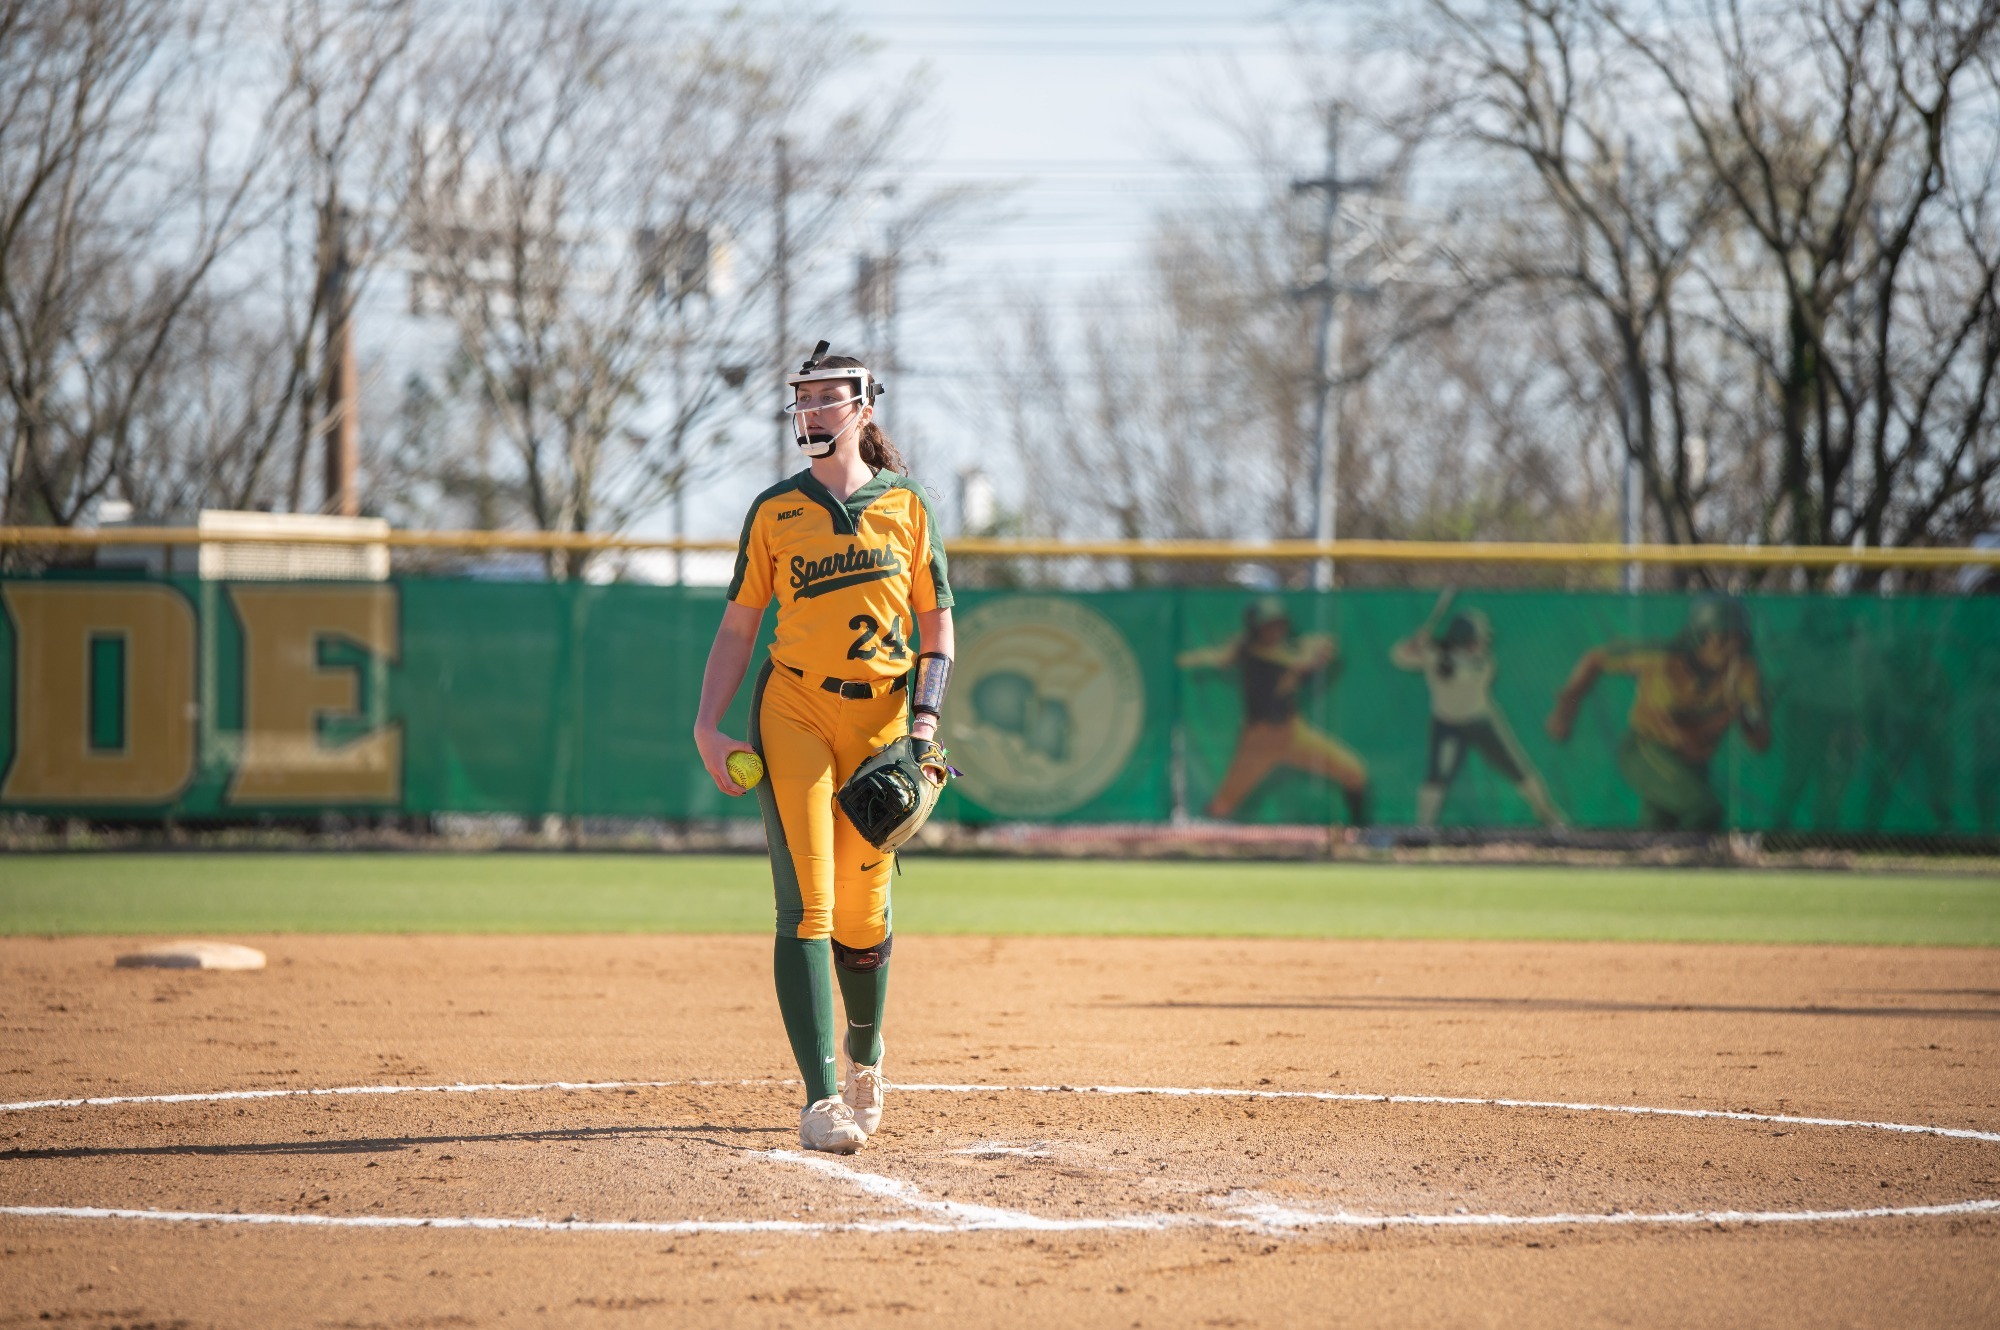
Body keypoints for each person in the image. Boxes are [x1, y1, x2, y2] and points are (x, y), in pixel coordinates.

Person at [692, 344, 954, 1154]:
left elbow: (938, 625)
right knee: (805, 902)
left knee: (861, 910)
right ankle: (822, 1099)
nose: (811, 413)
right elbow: (739, 625)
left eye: (827, 399)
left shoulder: (907, 505)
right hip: (795, 707)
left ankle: (866, 1053)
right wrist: (709, 723)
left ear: (863, 408)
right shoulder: (775, 511)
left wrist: (924, 726)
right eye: (802, 400)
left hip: (881, 722)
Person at [1545, 595, 1769, 831]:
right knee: (1704, 809)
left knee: (1657, 830)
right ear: (1699, 636)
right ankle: (1693, 863)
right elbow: (1596, 659)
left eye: (1739, 638)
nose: (1732, 646)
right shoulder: (1662, 656)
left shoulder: (1744, 673)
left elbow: (1760, 741)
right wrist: (1566, 709)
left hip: (1694, 762)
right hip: (1647, 749)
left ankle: (1656, 864)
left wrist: (1746, 711)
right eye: (1722, 637)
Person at [1176, 596, 1370, 824]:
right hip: (1260, 741)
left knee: (1355, 773)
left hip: (1294, 732)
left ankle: (1359, 835)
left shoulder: (1277, 650)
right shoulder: (1254, 653)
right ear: (1255, 629)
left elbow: (1323, 648)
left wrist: (1314, 650)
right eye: (1268, 625)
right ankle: (1198, 841)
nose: (1275, 629)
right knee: (1223, 804)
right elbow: (1300, 659)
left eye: (1278, 623)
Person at [1390, 589, 1562, 828]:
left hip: (1481, 722)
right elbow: (1398, 657)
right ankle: (1423, 829)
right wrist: (1414, 643)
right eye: (1478, 639)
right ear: (1465, 640)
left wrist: (1429, 652)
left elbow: (1454, 672)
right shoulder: (1435, 653)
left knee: (1517, 769)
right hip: (1447, 724)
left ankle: (1550, 817)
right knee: (1436, 776)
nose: (1483, 643)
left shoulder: (1484, 663)